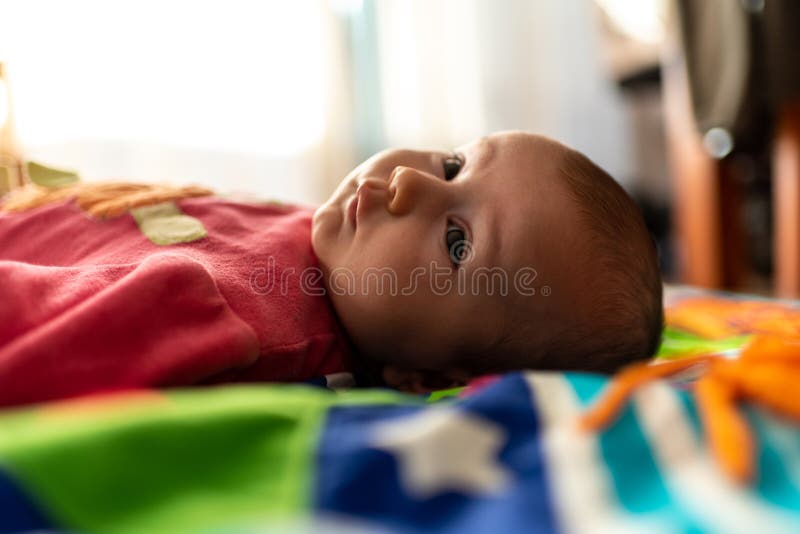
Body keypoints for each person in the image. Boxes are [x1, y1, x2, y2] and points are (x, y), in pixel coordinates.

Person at [0, 131, 662, 405]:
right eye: (455, 165)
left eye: (457, 243)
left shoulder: (232, 314)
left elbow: (32, 335)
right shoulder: (325, 238)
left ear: (427, 376)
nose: (408, 181)